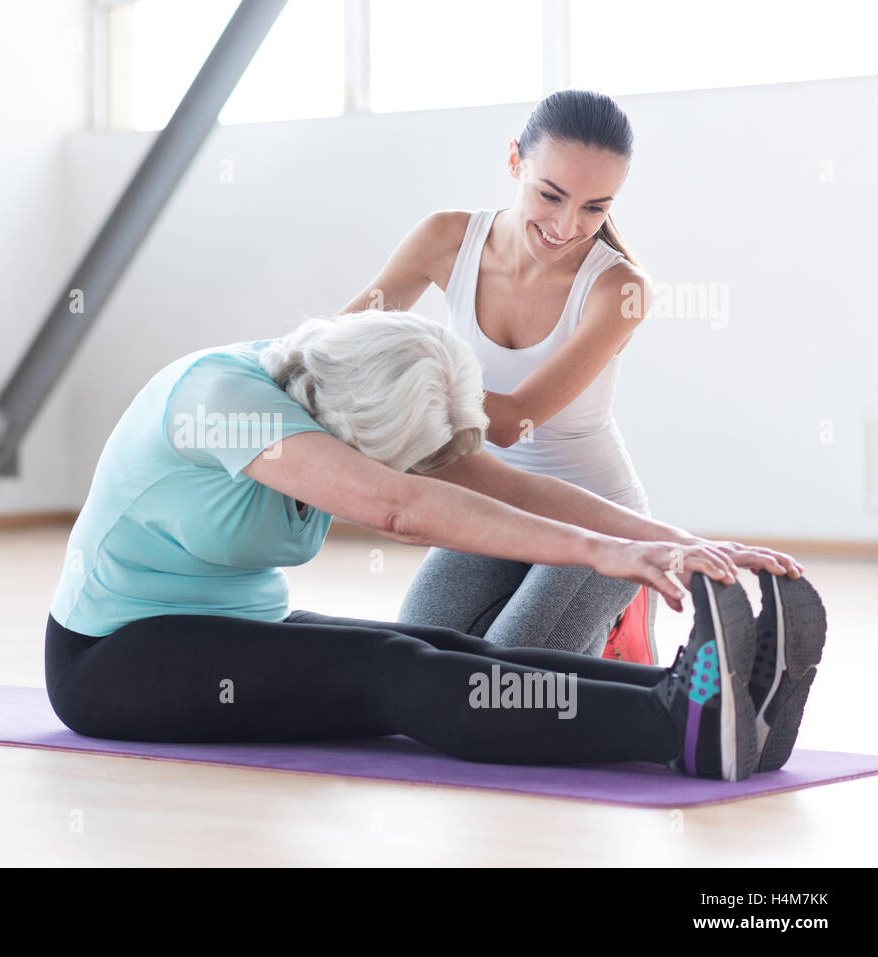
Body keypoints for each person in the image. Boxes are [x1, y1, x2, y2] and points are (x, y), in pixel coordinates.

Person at [45, 311, 820, 781]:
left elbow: (506, 484)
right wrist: (596, 554)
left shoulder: (330, 382)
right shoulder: (222, 403)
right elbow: (400, 506)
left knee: (437, 644)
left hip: (237, 625)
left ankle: (716, 705)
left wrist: (673, 542)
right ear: (351, 430)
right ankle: (671, 724)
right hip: (113, 656)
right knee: (393, 673)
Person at [341, 89, 660, 660]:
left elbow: (514, 421)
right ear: (515, 161)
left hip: (598, 519)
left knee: (508, 679)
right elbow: (344, 338)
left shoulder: (621, 289)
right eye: (550, 195)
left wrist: (403, 383)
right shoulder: (446, 239)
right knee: (418, 658)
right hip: (495, 502)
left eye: (595, 207)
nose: (566, 225)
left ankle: (623, 648)